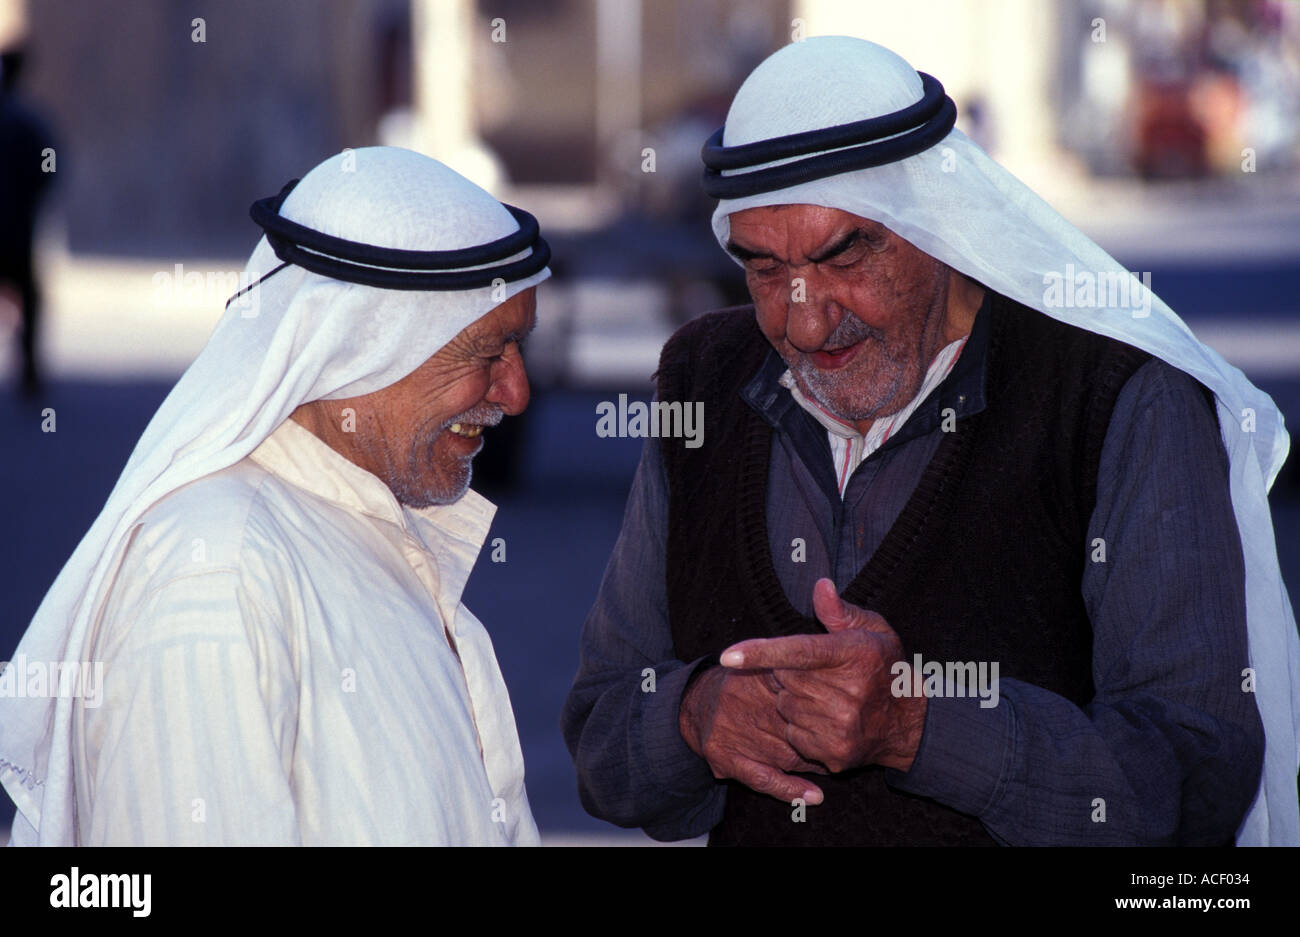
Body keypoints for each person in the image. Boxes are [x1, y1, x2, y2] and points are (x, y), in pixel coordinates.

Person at [563, 37, 1300, 846]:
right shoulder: (701, 379)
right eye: (766, 270)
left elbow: (1196, 778)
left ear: (935, 221)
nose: (803, 321)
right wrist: (694, 717)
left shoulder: (1120, 399)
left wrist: (917, 724)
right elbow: (603, 738)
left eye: (844, 255)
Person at [0, 146, 550, 845]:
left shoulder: (358, 527)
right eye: (486, 353)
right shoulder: (216, 573)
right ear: (361, 341)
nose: (517, 392)